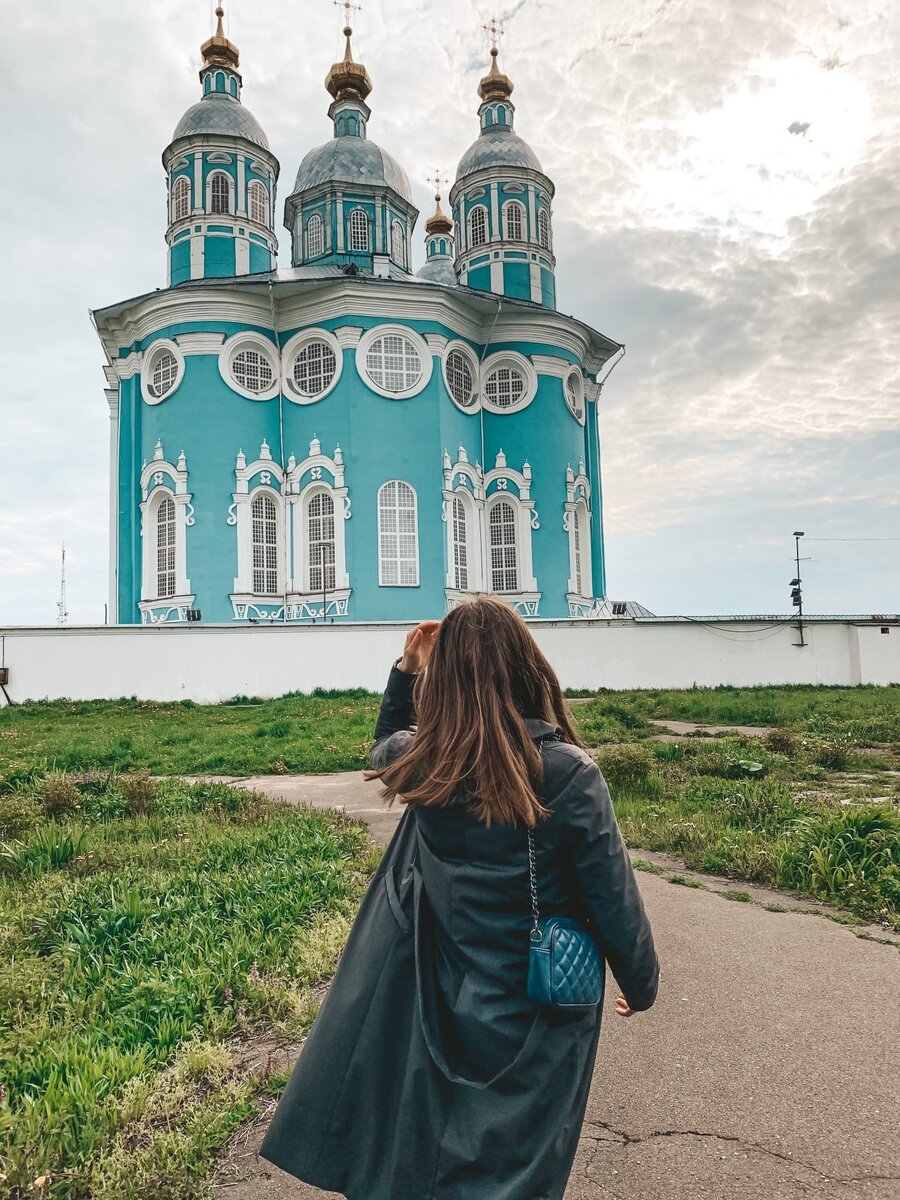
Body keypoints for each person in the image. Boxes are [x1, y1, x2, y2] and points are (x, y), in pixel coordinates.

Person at [261, 596, 659, 1200]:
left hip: (441, 983)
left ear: (443, 680)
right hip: (535, 998)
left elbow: (384, 744)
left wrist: (406, 669)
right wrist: (641, 980)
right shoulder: (567, 772)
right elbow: (613, 897)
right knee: (517, 1161)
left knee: (436, 1142)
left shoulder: (425, 763)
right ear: (528, 667)